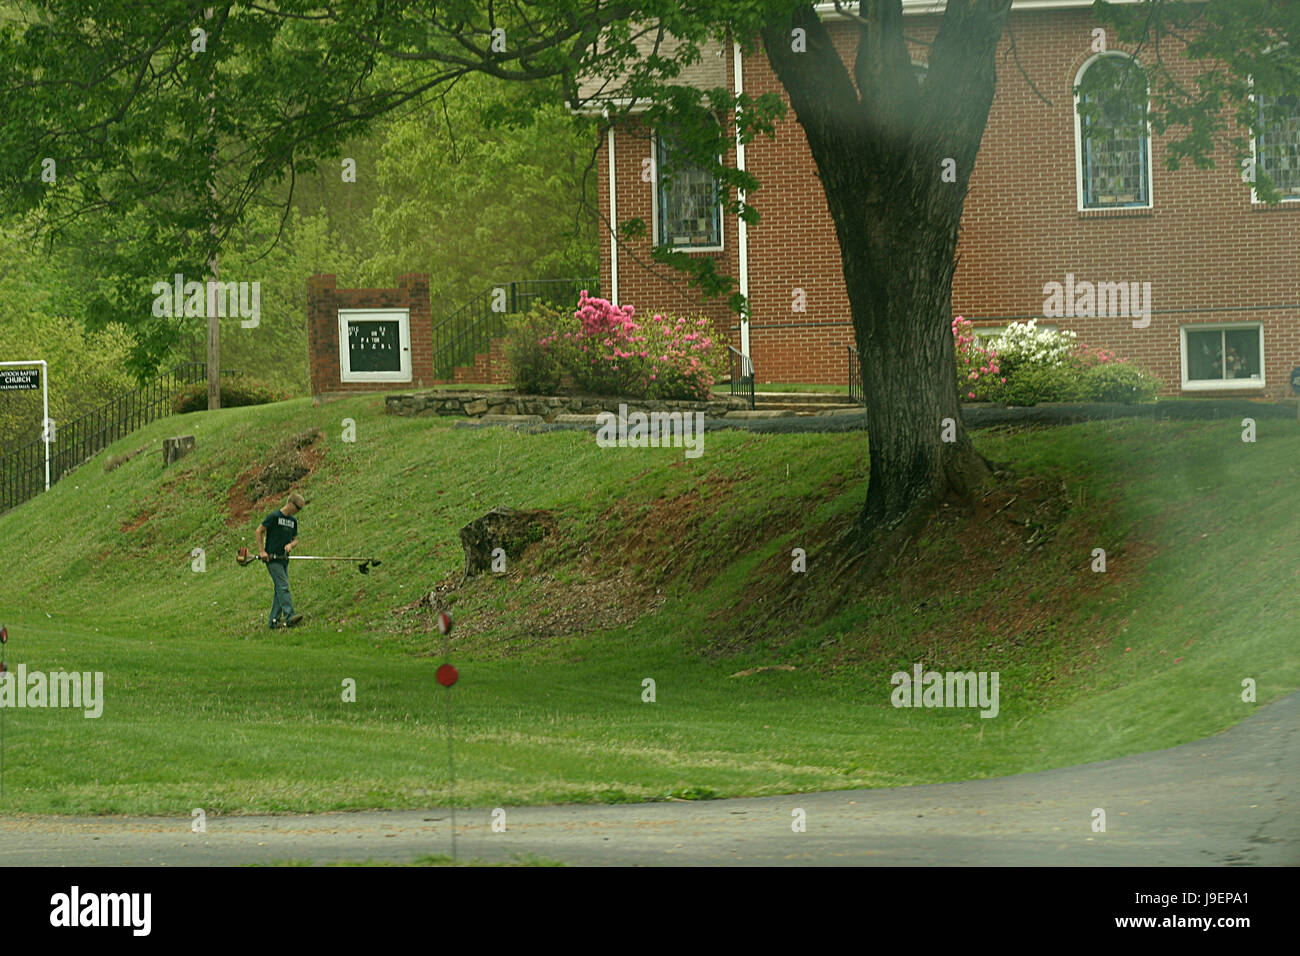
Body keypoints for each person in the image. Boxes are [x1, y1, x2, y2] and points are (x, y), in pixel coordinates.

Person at [256, 492, 305, 629]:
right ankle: (289, 617)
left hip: (284, 559)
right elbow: (259, 531)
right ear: (290, 504)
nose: (298, 511)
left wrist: (290, 545)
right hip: (272, 559)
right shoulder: (274, 517)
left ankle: (274, 621)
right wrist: (262, 551)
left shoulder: (293, 521)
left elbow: (295, 540)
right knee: (283, 586)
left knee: (279, 589)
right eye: (298, 508)